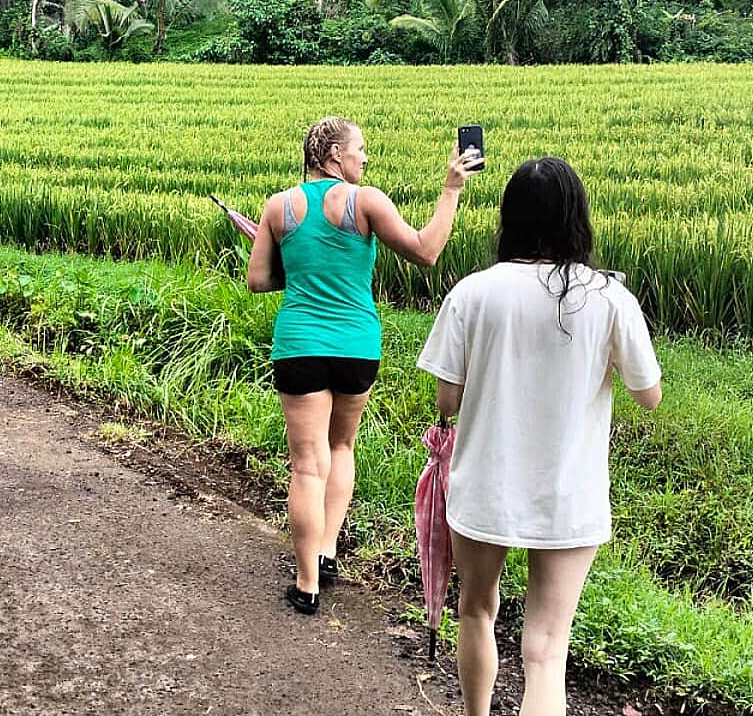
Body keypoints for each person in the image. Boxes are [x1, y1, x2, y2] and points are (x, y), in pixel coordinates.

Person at [416, 157, 662, 716]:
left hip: (484, 485)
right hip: (568, 492)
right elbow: (649, 394)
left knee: (476, 612)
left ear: (510, 219)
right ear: (578, 219)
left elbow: (446, 402)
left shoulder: (473, 293)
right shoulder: (608, 298)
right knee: (547, 650)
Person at [247, 116, 481, 615]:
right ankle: (328, 548)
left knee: (307, 465)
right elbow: (426, 251)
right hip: (356, 346)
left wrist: (302, 266)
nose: (364, 158)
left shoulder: (278, 207)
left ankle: (306, 583)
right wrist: (451, 189)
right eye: (359, 150)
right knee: (341, 445)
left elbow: (259, 280)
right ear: (334, 156)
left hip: (300, 345)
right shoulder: (366, 201)